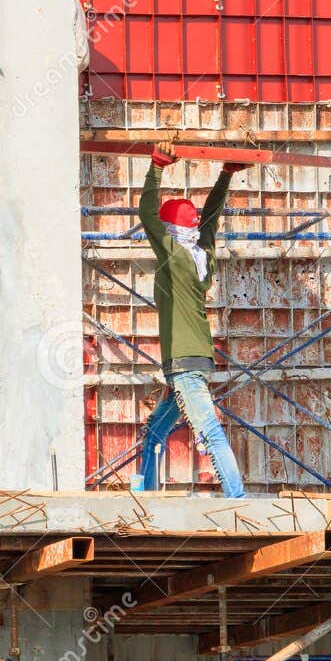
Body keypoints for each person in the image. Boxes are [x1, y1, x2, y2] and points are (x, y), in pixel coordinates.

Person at [136, 141, 248, 497]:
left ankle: (238, 499)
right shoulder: (202, 255)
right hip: (193, 358)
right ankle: (147, 494)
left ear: (169, 229)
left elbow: (145, 213)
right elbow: (212, 215)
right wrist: (225, 176)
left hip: (184, 363)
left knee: (209, 430)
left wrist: (156, 167)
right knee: (155, 429)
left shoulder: (173, 254)